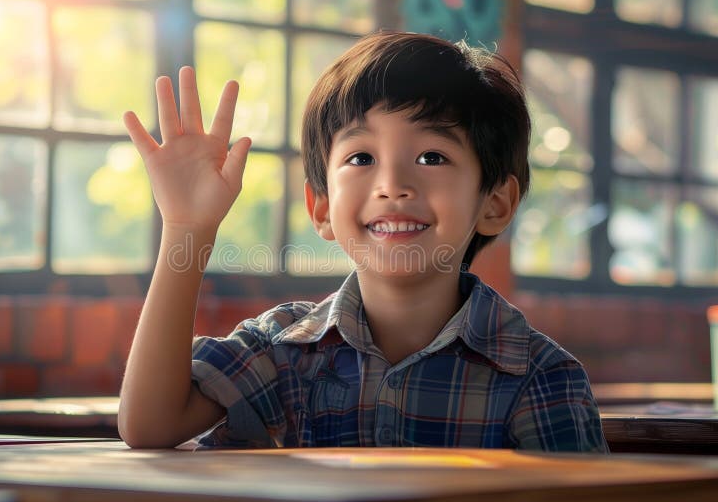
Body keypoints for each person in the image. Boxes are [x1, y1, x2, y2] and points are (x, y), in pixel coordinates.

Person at [118, 31, 608, 452]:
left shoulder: (540, 377)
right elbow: (150, 425)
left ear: (494, 204)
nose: (392, 185)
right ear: (321, 208)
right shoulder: (281, 350)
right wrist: (187, 228)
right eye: (361, 158)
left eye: (432, 157)